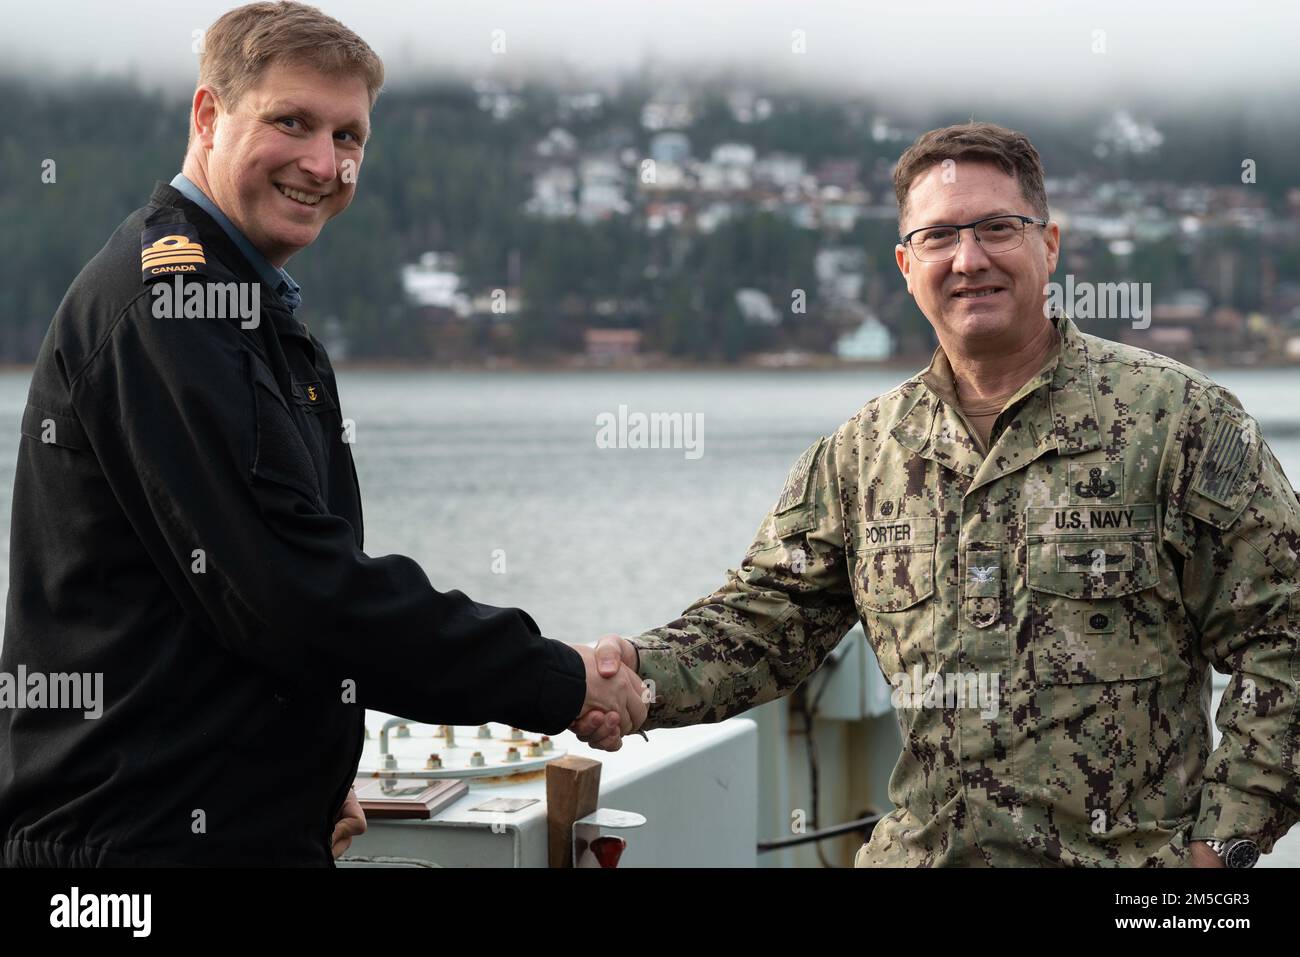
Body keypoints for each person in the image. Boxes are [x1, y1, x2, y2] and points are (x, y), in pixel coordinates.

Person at [0, 1, 645, 867]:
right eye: (291, 122)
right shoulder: (171, 302)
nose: (323, 163)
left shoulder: (249, 306)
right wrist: (558, 679)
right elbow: (296, 593)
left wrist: (307, 771)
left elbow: (243, 598)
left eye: (349, 138)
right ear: (207, 117)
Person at [573, 122, 1300, 868]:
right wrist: (635, 671)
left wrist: (1220, 851)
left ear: (1049, 246)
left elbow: (1287, 633)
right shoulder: (863, 455)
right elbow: (761, 624)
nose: (968, 258)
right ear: (904, 263)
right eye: (939, 236)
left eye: (996, 228)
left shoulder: (1177, 422)